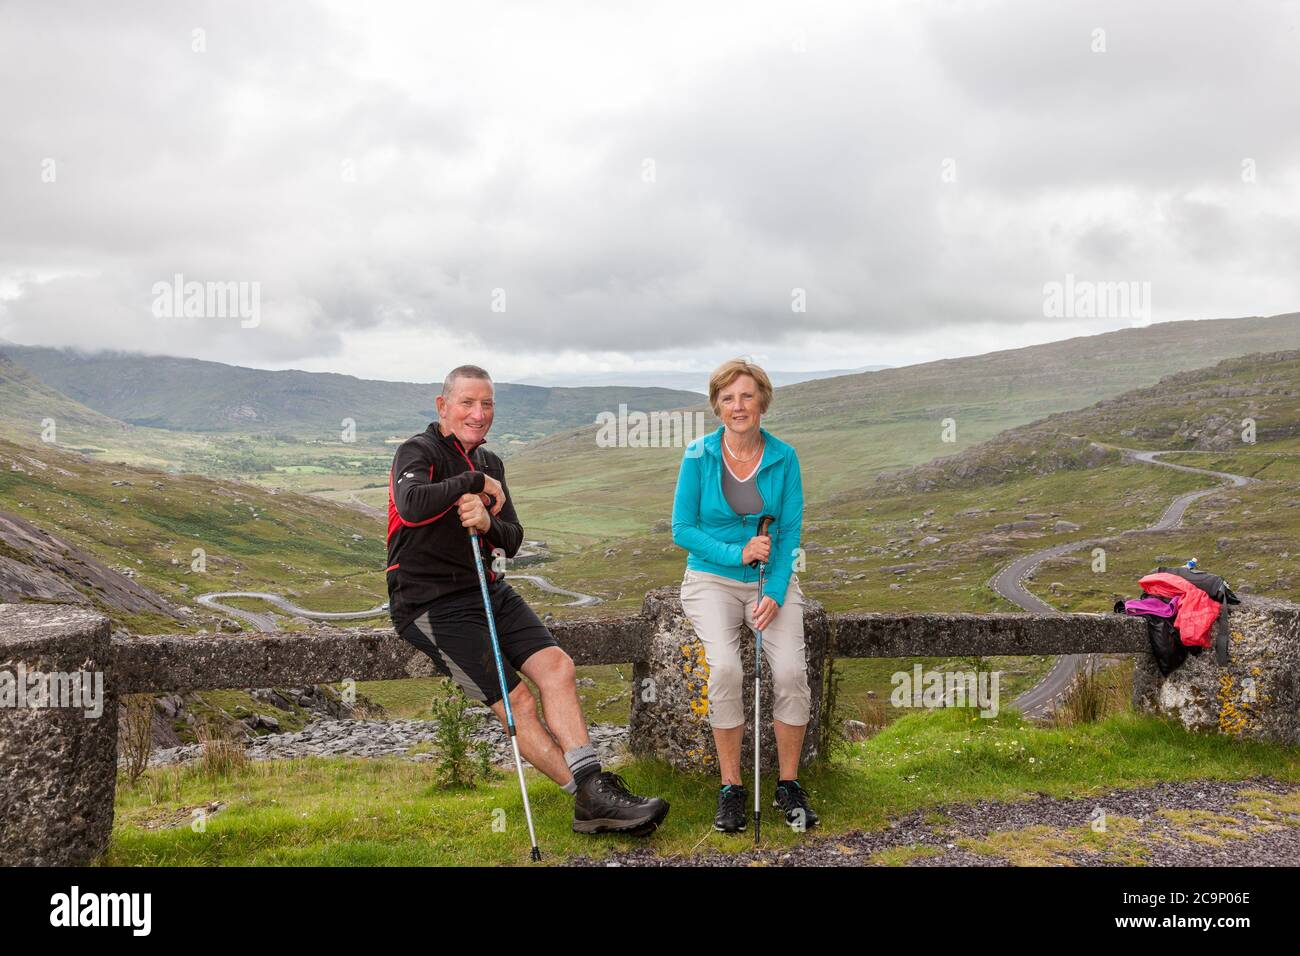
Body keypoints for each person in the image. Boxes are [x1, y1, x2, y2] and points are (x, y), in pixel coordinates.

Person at [386, 364, 669, 835]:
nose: (479, 413)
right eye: (468, 402)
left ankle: (594, 790)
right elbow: (413, 504)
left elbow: (511, 538)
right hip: (429, 603)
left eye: (488, 404)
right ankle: (588, 798)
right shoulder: (419, 450)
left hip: (489, 588)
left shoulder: (492, 462)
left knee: (557, 667)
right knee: (517, 702)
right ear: (443, 406)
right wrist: (473, 485)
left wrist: (486, 523)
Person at [671, 358, 819, 833]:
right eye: (729, 397)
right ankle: (731, 787)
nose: (738, 406)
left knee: (793, 672)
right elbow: (682, 529)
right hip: (711, 579)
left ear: (763, 402)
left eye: (747, 396)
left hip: (770, 580)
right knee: (728, 669)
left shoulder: (785, 457)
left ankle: (788, 784)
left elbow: (791, 530)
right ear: (717, 405)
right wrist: (737, 552)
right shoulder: (698, 455)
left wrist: (775, 590)